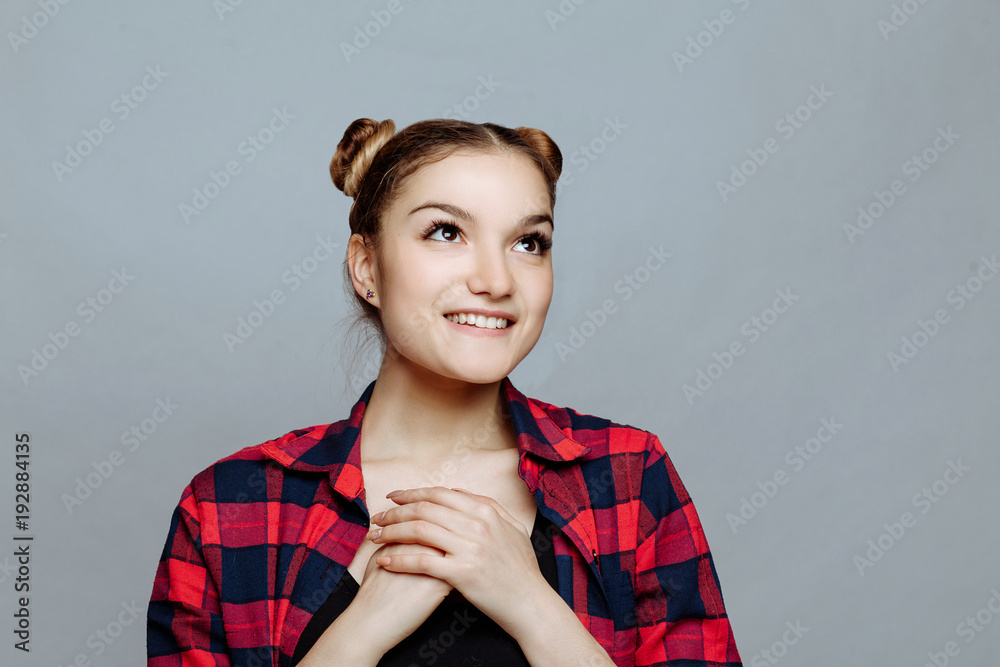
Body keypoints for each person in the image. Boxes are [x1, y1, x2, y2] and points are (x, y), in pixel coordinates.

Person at [146, 117, 742, 666]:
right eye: (446, 232)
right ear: (367, 268)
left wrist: (528, 601)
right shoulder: (231, 507)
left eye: (528, 242)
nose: (495, 280)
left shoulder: (628, 477)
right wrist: (364, 628)